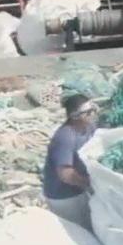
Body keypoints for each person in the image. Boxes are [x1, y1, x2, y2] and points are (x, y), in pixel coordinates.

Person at [44, 94, 99, 229]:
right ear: (75, 116)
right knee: (78, 231)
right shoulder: (65, 137)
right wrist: (89, 184)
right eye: (88, 113)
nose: (93, 115)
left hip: (79, 189)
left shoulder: (89, 128)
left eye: (94, 110)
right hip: (63, 196)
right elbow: (65, 174)